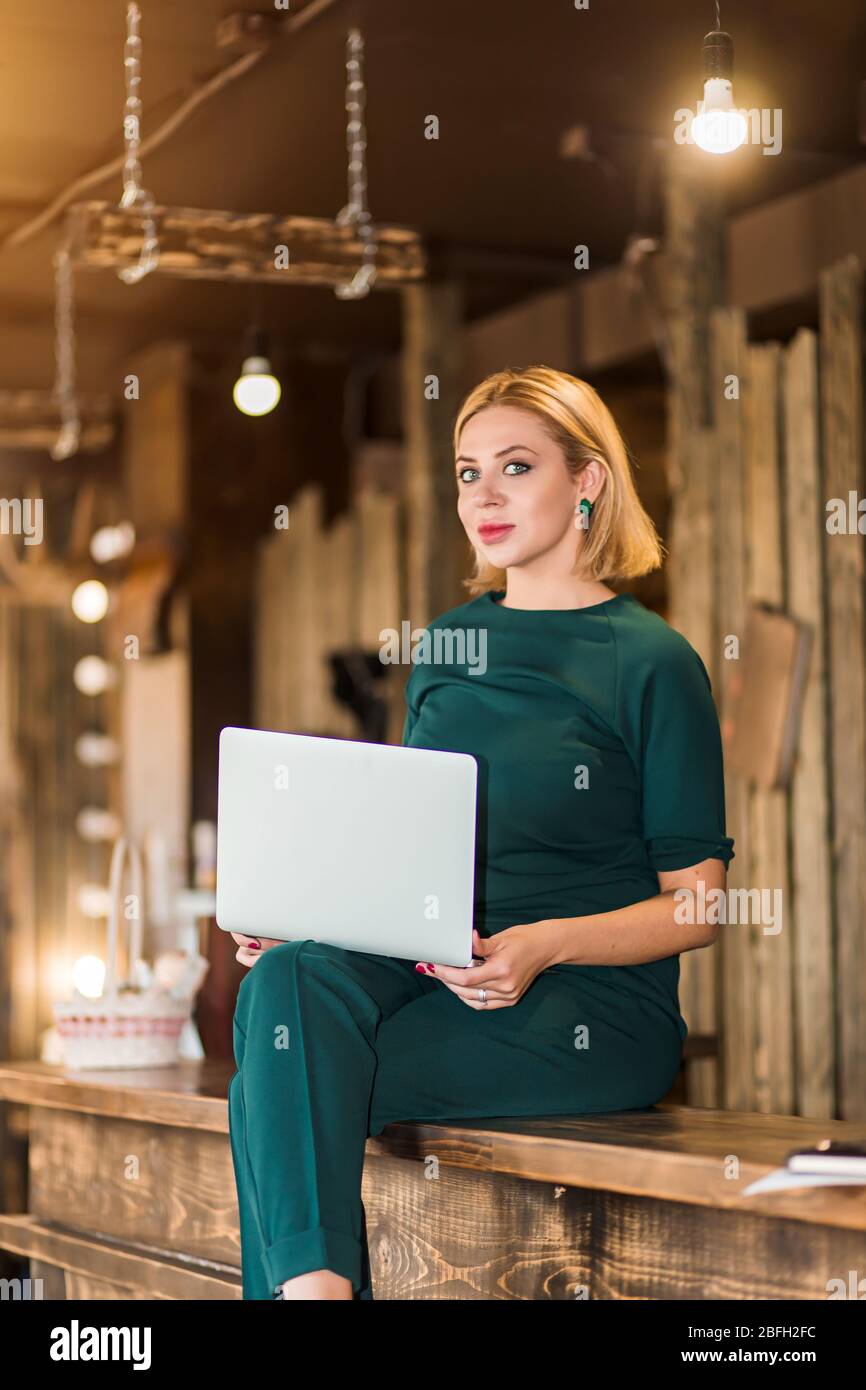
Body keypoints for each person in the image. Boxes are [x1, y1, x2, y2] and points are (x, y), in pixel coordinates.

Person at [227, 364, 735, 1301]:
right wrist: (312, 915)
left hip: (587, 1004)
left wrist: (541, 947)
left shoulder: (653, 661)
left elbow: (699, 903)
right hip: (438, 971)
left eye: (514, 467)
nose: (484, 496)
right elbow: (412, 846)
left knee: (277, 1082)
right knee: (287, 983)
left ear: (587, 482)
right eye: (467, 473)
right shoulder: (447, 646)